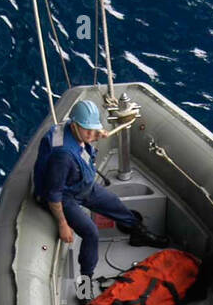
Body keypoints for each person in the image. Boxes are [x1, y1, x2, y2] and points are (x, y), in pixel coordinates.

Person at [32, 98, 167, 280]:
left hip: (80, 184)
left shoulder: (75, 130)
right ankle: (85, 285)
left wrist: (95, 134)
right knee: (90, 232)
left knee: (115, 204)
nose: (91, 133)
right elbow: (54, 194)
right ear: (74, 126)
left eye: (93, 128)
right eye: (87, 129)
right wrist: (62, 224)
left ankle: (138, 234)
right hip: (66, 196)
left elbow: (84, 147)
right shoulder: (62, 156)